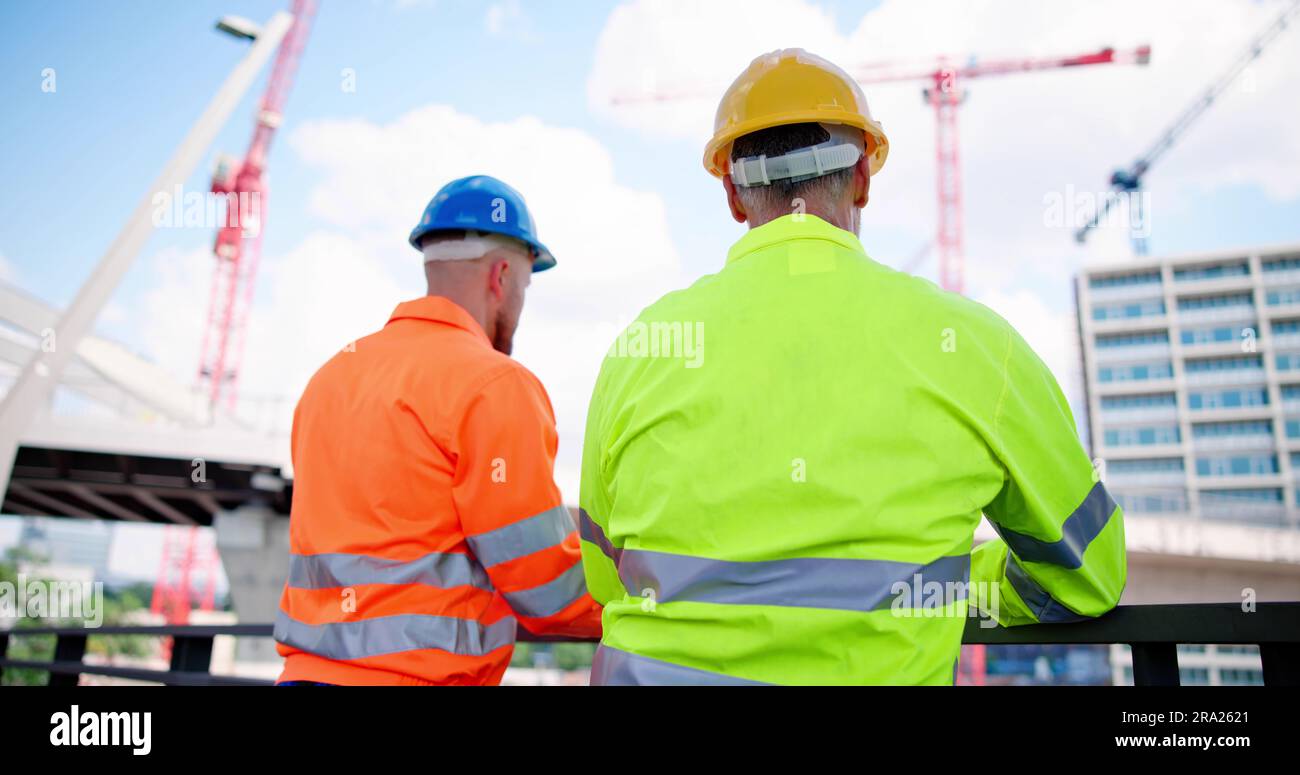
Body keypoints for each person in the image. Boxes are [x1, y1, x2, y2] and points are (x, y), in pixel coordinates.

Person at [577, 49, 1126, 685]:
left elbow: (603, 572)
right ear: (863, 175)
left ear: (731, 192)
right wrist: (946, 584)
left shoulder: (644, 346)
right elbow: (1092, 573)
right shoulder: (974, 345)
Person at [275, 175, 601, 685]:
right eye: (525, 285)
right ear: (502, 277)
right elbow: (548, 590)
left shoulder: (331, 378)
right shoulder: (495, 385)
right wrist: (647, 594)